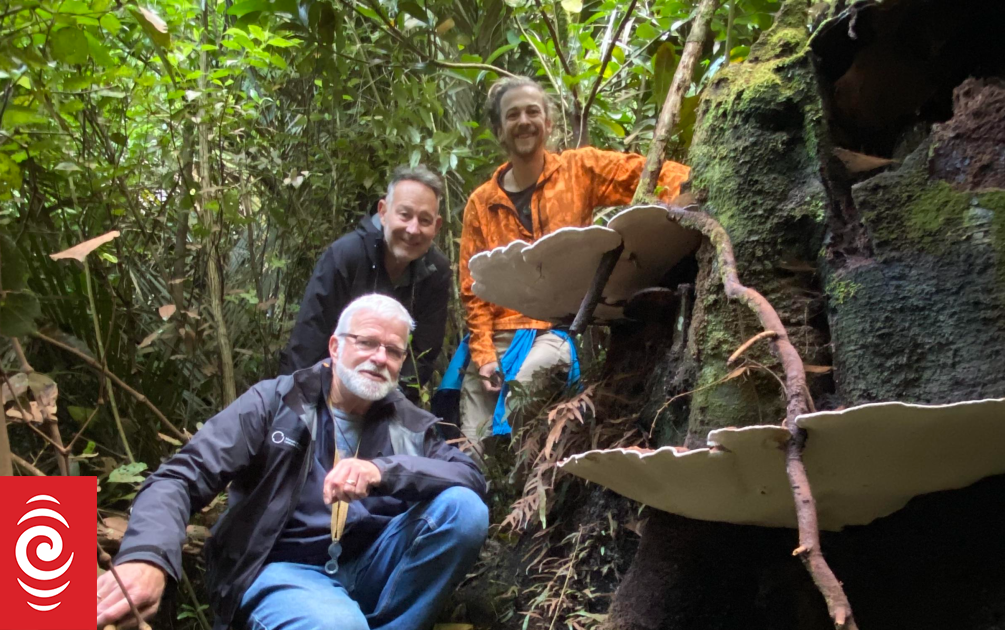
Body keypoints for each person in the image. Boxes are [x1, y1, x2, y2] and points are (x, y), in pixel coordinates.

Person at [97, 294, 488, 630]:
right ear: (335, 347)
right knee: (338, 626)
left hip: (370, 564)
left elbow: (469, 475)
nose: (379, 358)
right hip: (285, 567)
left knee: (464, 510)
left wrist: (382, 471)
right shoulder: (277, 402)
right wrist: (147, 556)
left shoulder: (409, 423)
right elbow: (182, 476)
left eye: (393, 350)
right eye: (366, 342)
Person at [450, 76, 690, 451]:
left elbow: (655, 174)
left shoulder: (578, 170)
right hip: (497, 337)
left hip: (557, 329)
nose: (524, 121)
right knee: (473, 446)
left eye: (533, 111)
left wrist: (688, 197)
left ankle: (526, 482)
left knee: (523, 393)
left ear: (548, 123)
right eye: (512, 115)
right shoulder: (482, 203)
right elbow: (471, 289)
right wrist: (481, 357)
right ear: (499, 131)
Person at [280, 166, 450, 403]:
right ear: (383, 212)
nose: (413, 229)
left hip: (389, 395)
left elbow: (423, 354)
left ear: (437, 226)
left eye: (424, 220)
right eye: (404, 215)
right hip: (330, 391)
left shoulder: (436, 271)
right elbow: (309, 341)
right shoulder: (346, 256)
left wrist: (389, 403)